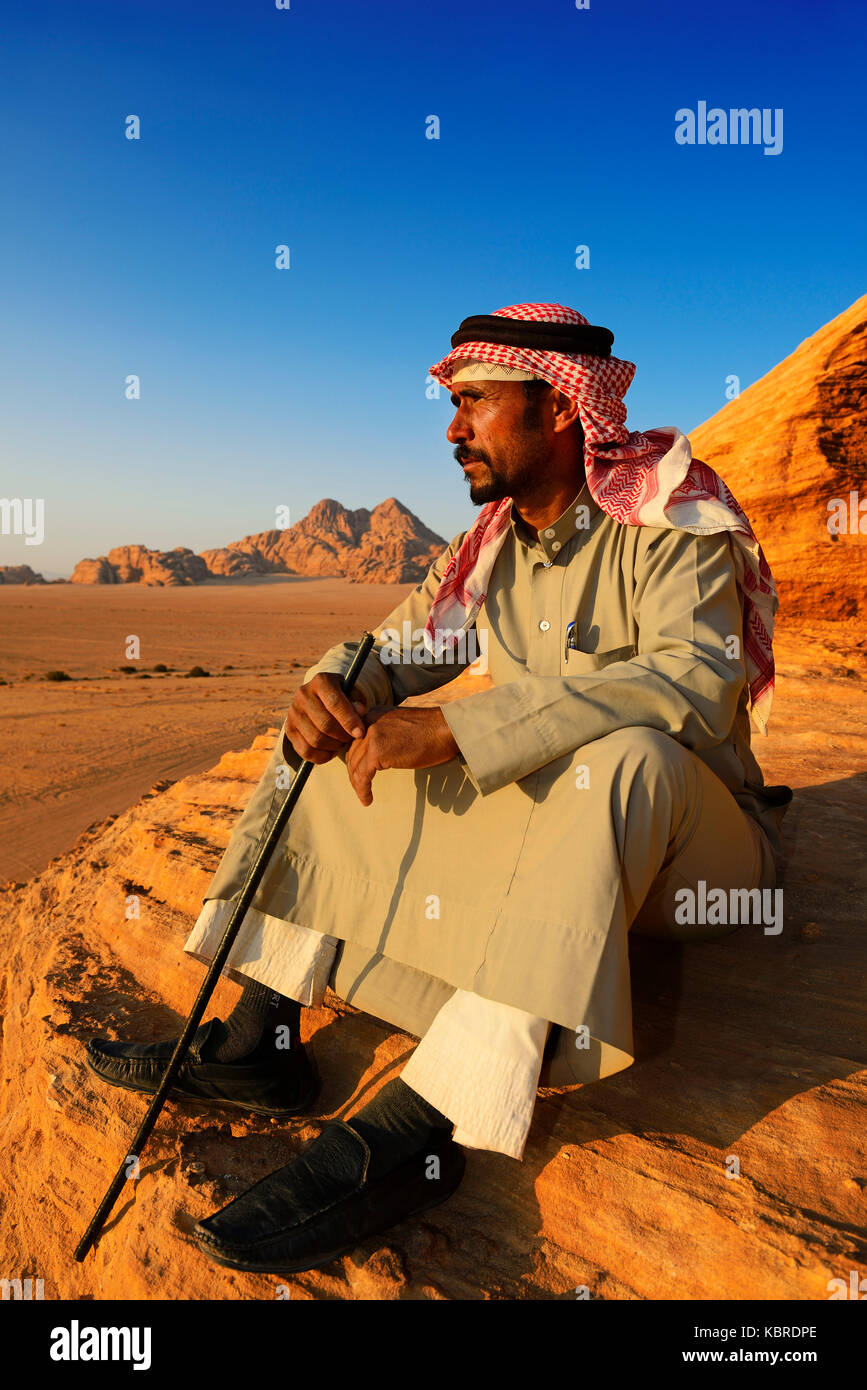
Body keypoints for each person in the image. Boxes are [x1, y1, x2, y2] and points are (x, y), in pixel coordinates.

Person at [86, 302, 792, 1276]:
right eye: (451, 405)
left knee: (622, 759)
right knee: (343, 739)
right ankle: (260, 1038)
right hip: (566, 825)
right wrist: (344, 686)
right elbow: (405, 647)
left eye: (474, 403)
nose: (452, 428)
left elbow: (684, 688)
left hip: (694, 841)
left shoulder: (673, 515)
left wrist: (466, 724)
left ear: (557, 409)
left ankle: (432, 1125)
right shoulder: (497, 546)